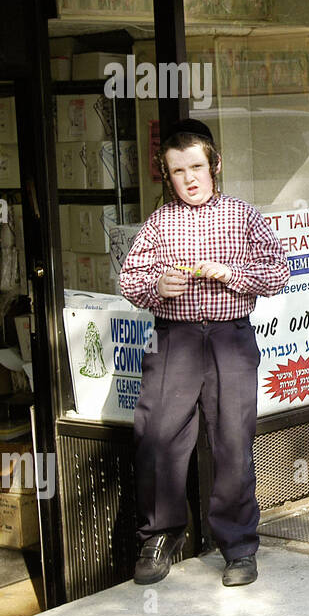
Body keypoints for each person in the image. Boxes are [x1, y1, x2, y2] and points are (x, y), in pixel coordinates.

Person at [118, 119, 290, 587]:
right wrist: (157, 286)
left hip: (230, 338)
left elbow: (277, 274)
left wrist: (231, 273)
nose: (189, 178)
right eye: (178, 171)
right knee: (157, 436)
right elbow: (129, 282)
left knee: (232, 440)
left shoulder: (243, 216)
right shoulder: (159, 222)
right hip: (174, 338)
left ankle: (237, 548)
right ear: (167, 175)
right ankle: (159, 538)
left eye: (196, 166)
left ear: (215, 165)